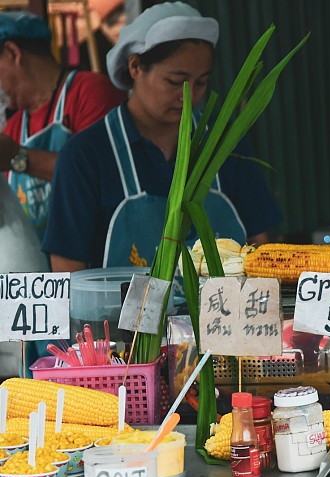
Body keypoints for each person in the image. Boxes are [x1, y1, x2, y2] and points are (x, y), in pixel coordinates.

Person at [43, 1, 282, 273]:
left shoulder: (223, 141)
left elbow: (259, 243)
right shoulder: (85, 155)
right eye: (175, 82)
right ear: (135, 67)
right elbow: (66, 271)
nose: (189, 96)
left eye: (201, 82)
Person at [0, 11, 126, 241]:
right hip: (36, 270)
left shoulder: (90, 92)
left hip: (92, 264)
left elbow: (101, 176)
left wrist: (17, 157)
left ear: (12, 53)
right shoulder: (14, 126)